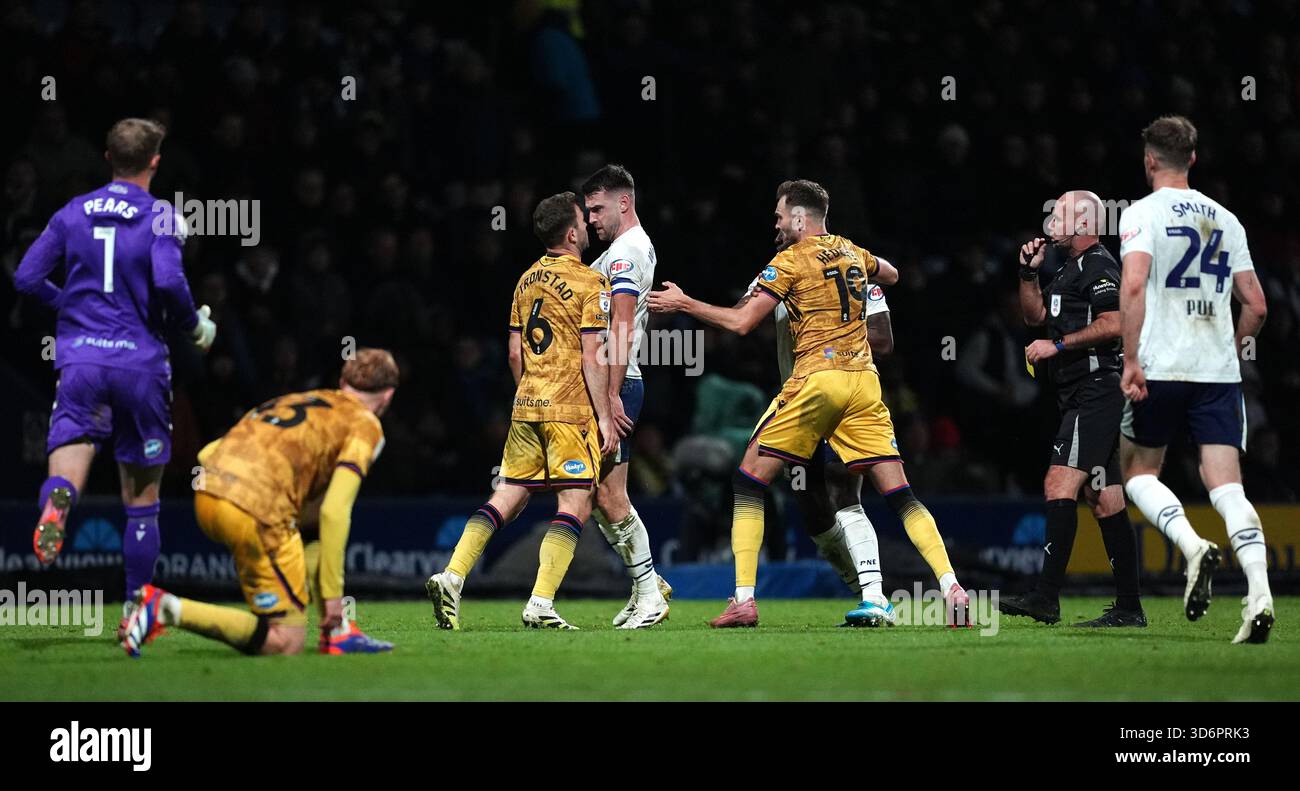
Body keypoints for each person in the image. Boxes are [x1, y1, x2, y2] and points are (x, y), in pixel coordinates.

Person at [651, 180, 967, 628]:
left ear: (799, 218)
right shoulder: (852, 252)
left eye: (780, 215)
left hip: (816, 382)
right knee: (899, 493)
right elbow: (892, 274)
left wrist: (684, 303)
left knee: (747, 482)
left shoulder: (788, 262)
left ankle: (743, 598)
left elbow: (742, 322)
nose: (776, 223)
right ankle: (950, 585)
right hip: (864, 384)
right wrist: (864, 275)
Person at [13, 118, 216, 634]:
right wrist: (195, 326)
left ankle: (58, 503)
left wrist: (73, 309)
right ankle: (136, 612)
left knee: (66, 467)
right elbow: (169, 280)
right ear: (154, 161)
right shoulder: (161, 216)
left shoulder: (71, 211)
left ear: (107, 158)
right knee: (141, 507)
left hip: (81, 361)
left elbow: (26, 277)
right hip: (141, 367)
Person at [121, 349, 399, 656]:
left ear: (342, 381)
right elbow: (335, 511)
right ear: (387, 396)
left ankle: (338, 632)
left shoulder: (303, 399)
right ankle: (163, 607)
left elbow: (207, 454)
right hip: (254, 510)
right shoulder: (366, 424)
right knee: (286, 642)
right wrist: (334, 595)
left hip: (208, 494)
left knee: (310, 520)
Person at [425, 192, 619, 630]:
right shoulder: (592, 283)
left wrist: (529, 393)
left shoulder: (526, 280)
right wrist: (605, 415)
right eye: (582, 223)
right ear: (571, 233)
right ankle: (541, 603)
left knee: (507, 496)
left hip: (525, 405)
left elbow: (515, 353)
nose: (587, 227)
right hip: (569, 410)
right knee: (575, 501)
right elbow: (593, 356)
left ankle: (452, 576)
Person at [1117, 116, 1273, 644]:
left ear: (1149, 160)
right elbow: (1256, 305)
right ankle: (1258, 593)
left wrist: (1131, 358)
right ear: (1194, 159)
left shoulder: (1141, 213)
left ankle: (1191, 546)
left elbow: (1134, 286)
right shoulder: (1227, 220)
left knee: (1137, 471)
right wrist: (1229, 347)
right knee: (1227, 485)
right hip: (1216, 373)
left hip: (1159, 365)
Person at [999, 190, 1145, 627]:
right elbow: (1035, 315)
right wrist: (1028, 274)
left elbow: (1116, 322)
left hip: (1095, 391)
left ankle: (1045, 598)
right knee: (1104, 498)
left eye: (1059, 214)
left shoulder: (1101, 265)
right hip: (1084, 394)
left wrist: (1057, 345)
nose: (1051, 220)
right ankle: (1130, 608)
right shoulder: (1067, 270)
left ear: (1084, 222)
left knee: (1058, 483)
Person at [581, 164, 671, 629]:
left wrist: (611, 397)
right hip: (617, 381)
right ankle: (647, 585)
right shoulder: (628, 248)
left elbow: (618, 325)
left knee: (609, 495)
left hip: (620, 382)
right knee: (598, 493)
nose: (591, 218)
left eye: (597, 209)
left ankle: (650, 589)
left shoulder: (625, 254)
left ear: (624, 202)